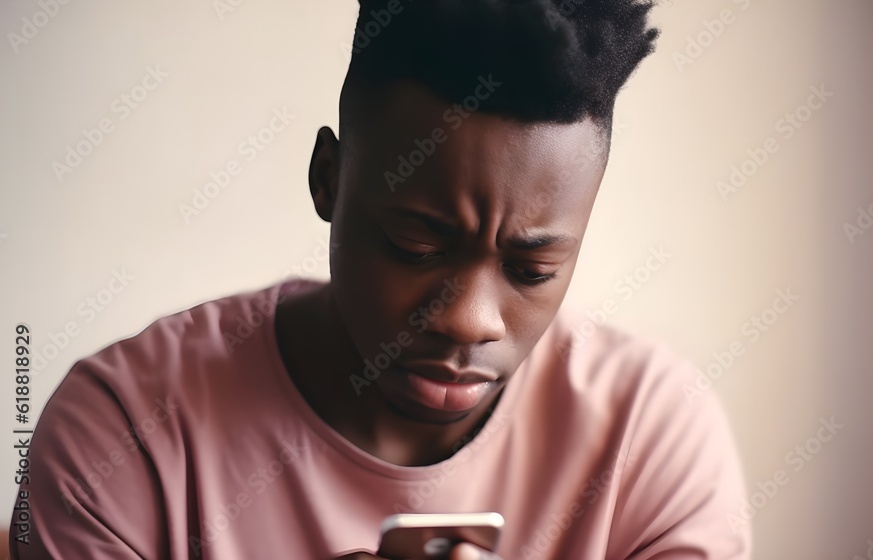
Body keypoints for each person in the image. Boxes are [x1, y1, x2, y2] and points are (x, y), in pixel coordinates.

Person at [9, 1, 751, 558]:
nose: (468, 319)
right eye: (415, 245)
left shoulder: (650, 437)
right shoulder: (122, 435)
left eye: (532, 270)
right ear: (327, 179)